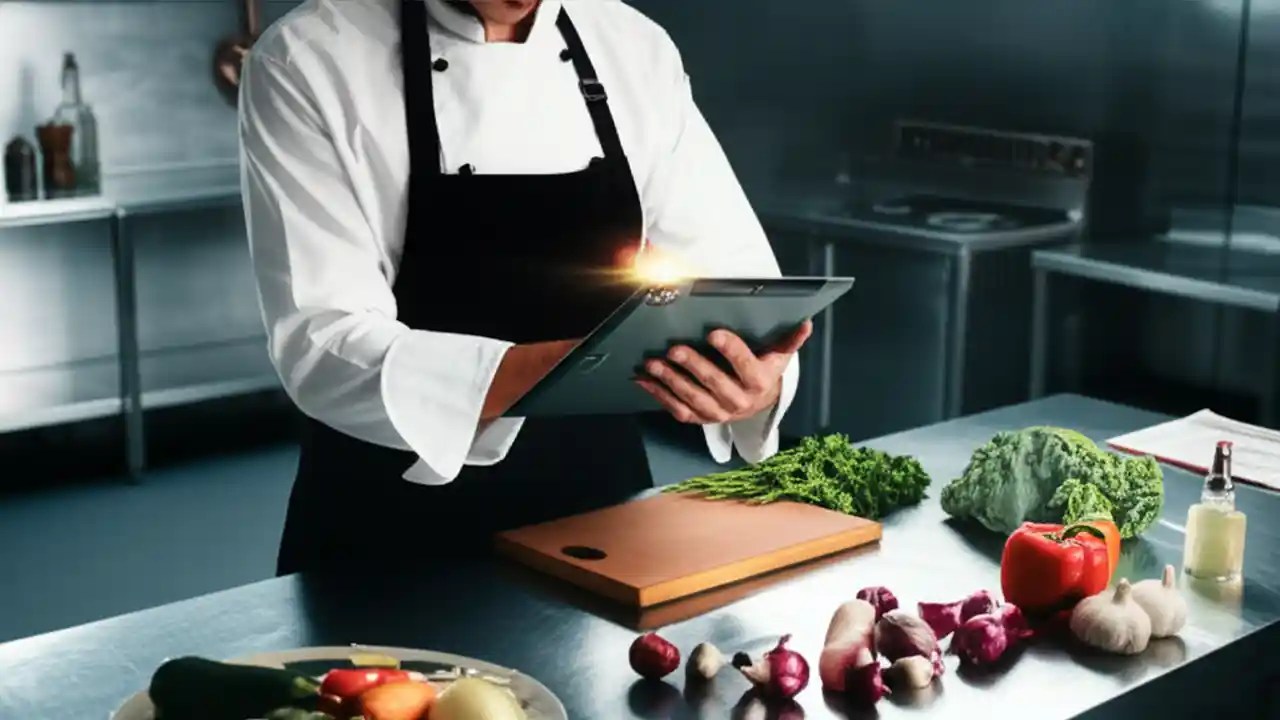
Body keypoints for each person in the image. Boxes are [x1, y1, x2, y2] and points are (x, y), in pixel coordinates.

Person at [238, 0, 811, 575]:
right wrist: (572, 368)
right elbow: (322, 343)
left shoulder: (633, 45)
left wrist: (755, 375)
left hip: (604, 520)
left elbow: (735, 280)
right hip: (386, 530)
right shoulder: (309, 57)